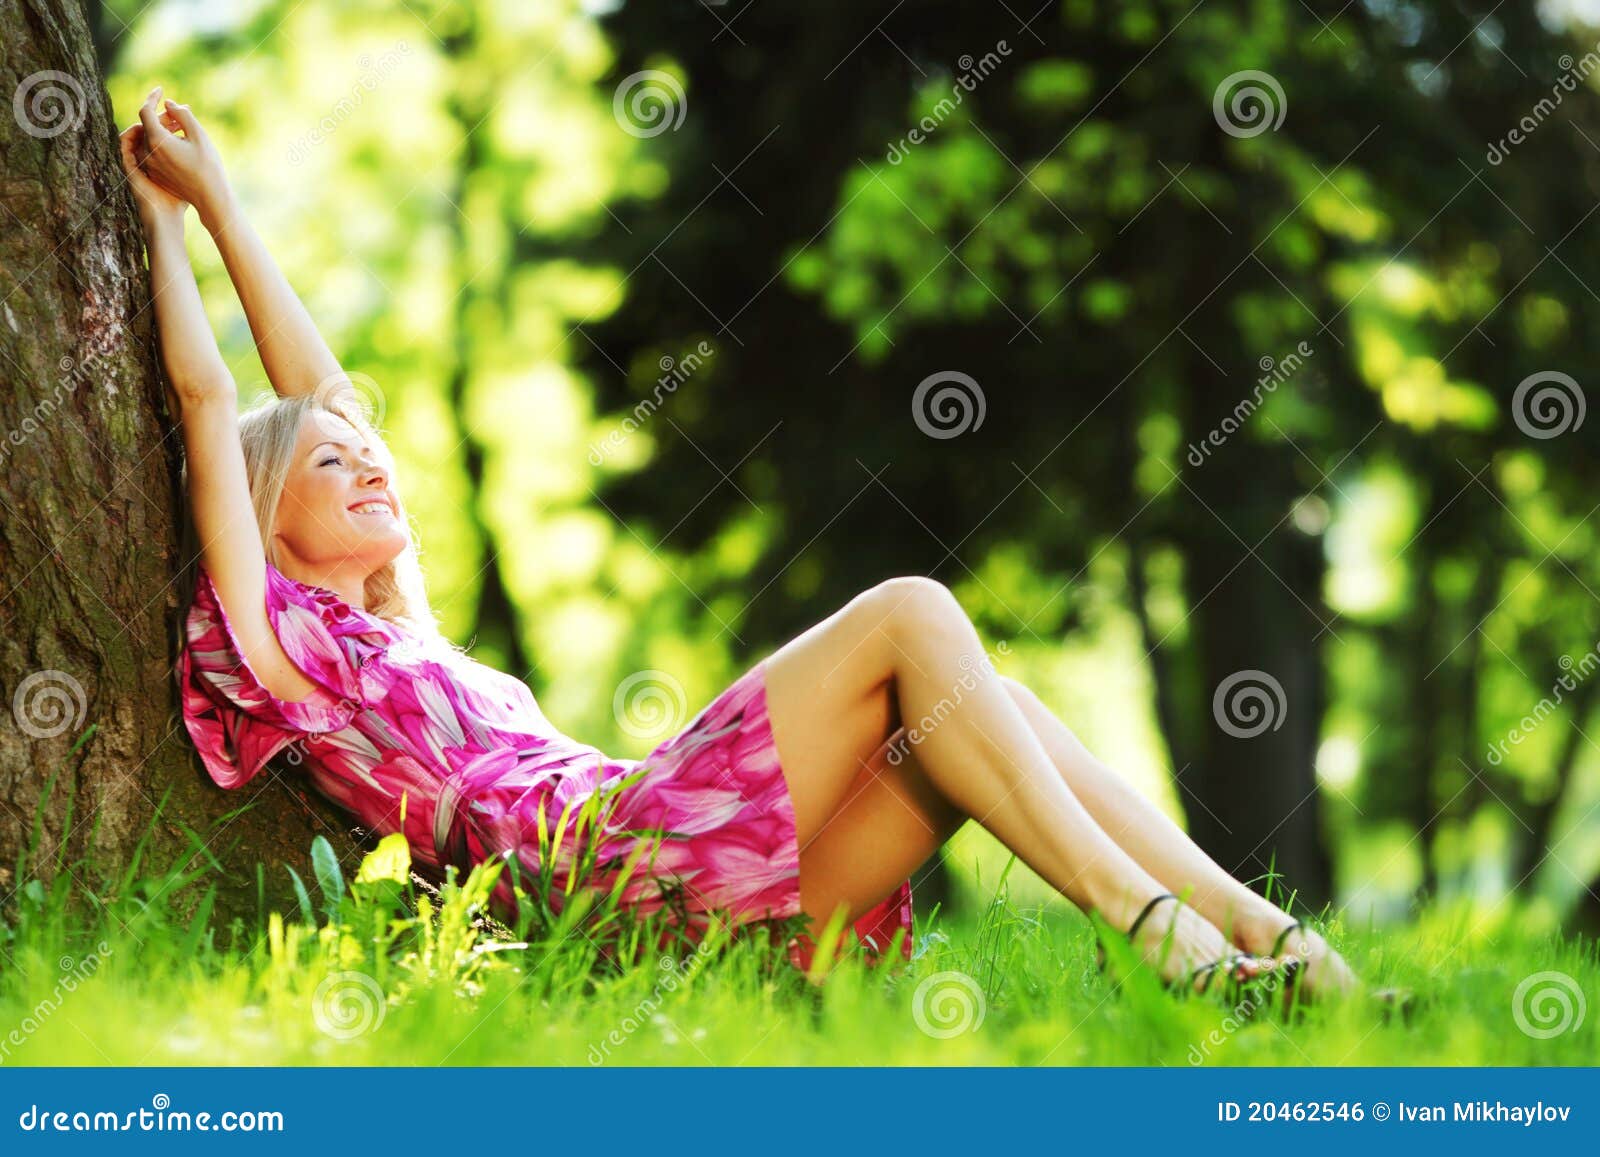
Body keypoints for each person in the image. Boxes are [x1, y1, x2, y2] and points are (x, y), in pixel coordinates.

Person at [123, 85, 1364, 1003]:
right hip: (605, 875)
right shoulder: (287, 650)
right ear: (264, 516)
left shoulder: (402, 635)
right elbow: (205, 403)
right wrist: (169, 223)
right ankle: (1146, 926)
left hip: (689, 890)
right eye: (327, 464)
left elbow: (323, 396)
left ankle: (1280, 950)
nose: (364, 459)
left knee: (996, 707)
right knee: (911, 611)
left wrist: (233, 214)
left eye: (367, 454)